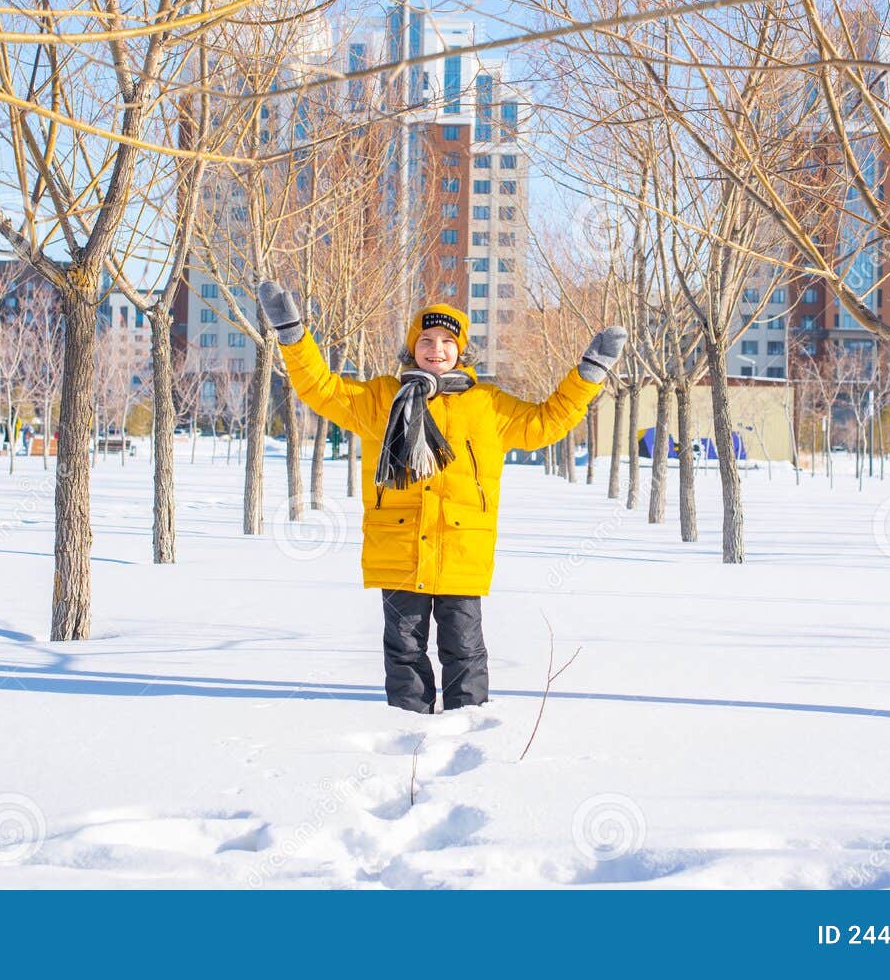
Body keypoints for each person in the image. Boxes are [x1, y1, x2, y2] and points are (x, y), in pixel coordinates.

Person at [259, 281, 627, 714]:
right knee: (404, 651)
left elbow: (547, 422)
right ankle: (407, 730)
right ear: (413, 346)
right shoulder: (380, 400)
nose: (436, 349)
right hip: (399, 550)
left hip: (461, 551)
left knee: (464, 651)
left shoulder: (487, 406)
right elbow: (320, 389)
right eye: (427, 340)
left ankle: (467, 729)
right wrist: (293, 335)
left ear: (462, 350)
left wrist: (589, 373)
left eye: (448, 342)